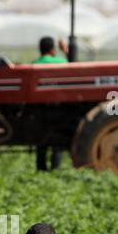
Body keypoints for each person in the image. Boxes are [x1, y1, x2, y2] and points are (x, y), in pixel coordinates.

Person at [33, 37, 69, 169]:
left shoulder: (35, 64)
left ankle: (41, 168)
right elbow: (74, 67)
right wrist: (66, 51)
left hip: (38, 109)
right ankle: (56, 167)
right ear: (53, 50)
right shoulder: (61, 62)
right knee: (57, 140)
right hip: (59, 107)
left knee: (41, 141)